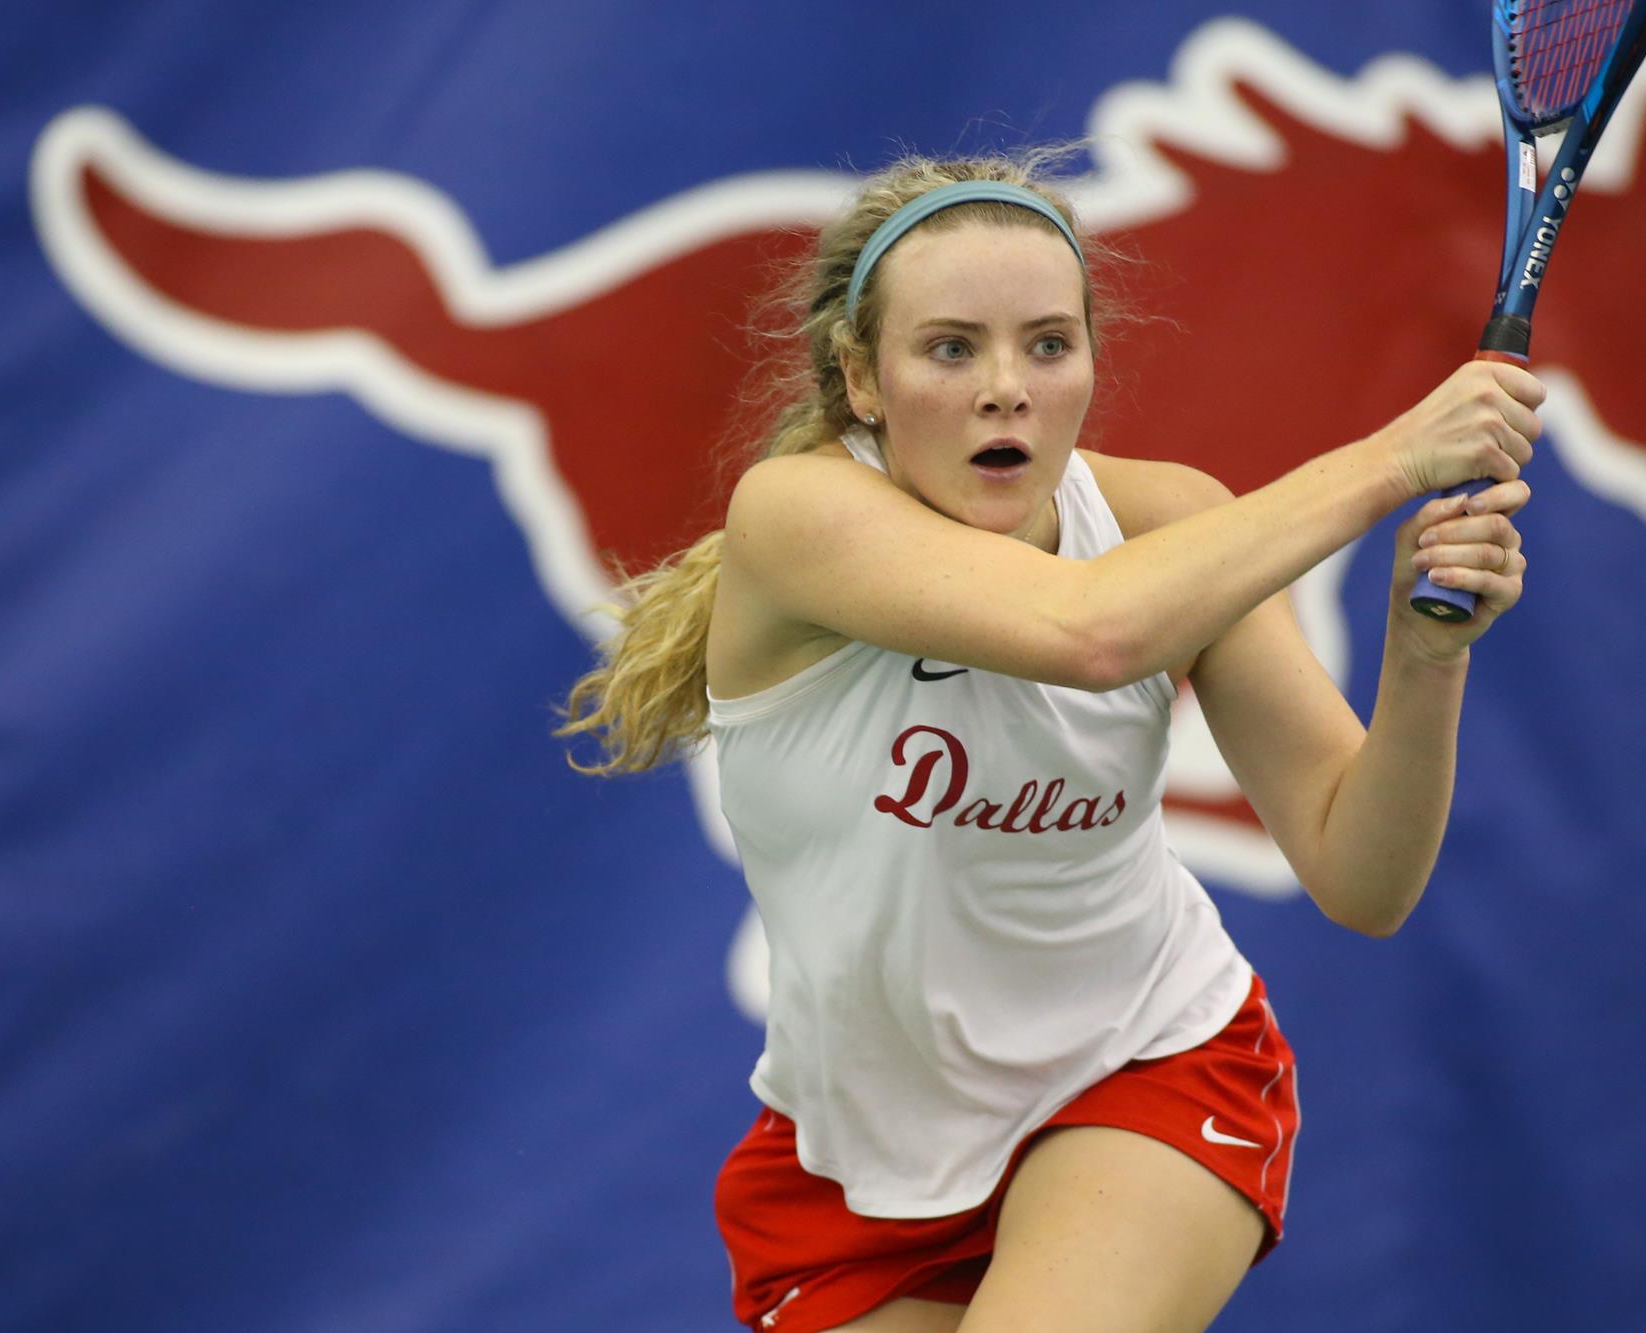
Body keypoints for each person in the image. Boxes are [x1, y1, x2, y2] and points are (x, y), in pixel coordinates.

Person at [559, 150, 1543, 1333]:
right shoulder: (795, 517)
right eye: (948, 348)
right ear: (858, 378)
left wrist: (1423, 656)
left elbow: (1359, 873)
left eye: (1045, 343)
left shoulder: (1165, 520)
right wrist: (1393, 456)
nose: (1004, 388)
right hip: (852, 1158)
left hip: (1146, 1065)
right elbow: (1090, 632)